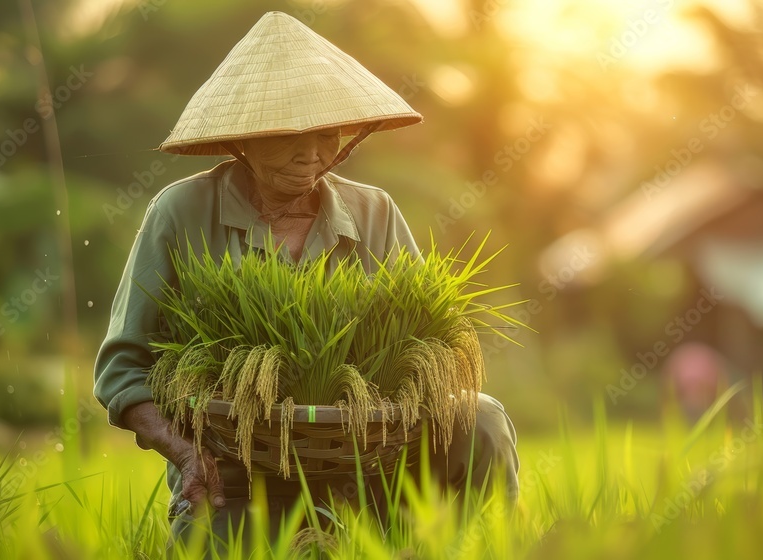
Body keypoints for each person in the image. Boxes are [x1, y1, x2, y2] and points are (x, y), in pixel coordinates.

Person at [92, 11, 519, 553]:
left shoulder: (374, 215)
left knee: (480, 416)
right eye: (292, 135)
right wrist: (185, 455)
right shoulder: (181, 212)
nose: (313, 154)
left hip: (366, 468)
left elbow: (430, 344)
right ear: (244, 137)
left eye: (327, 134)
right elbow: (121, 369)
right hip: (236, 476)